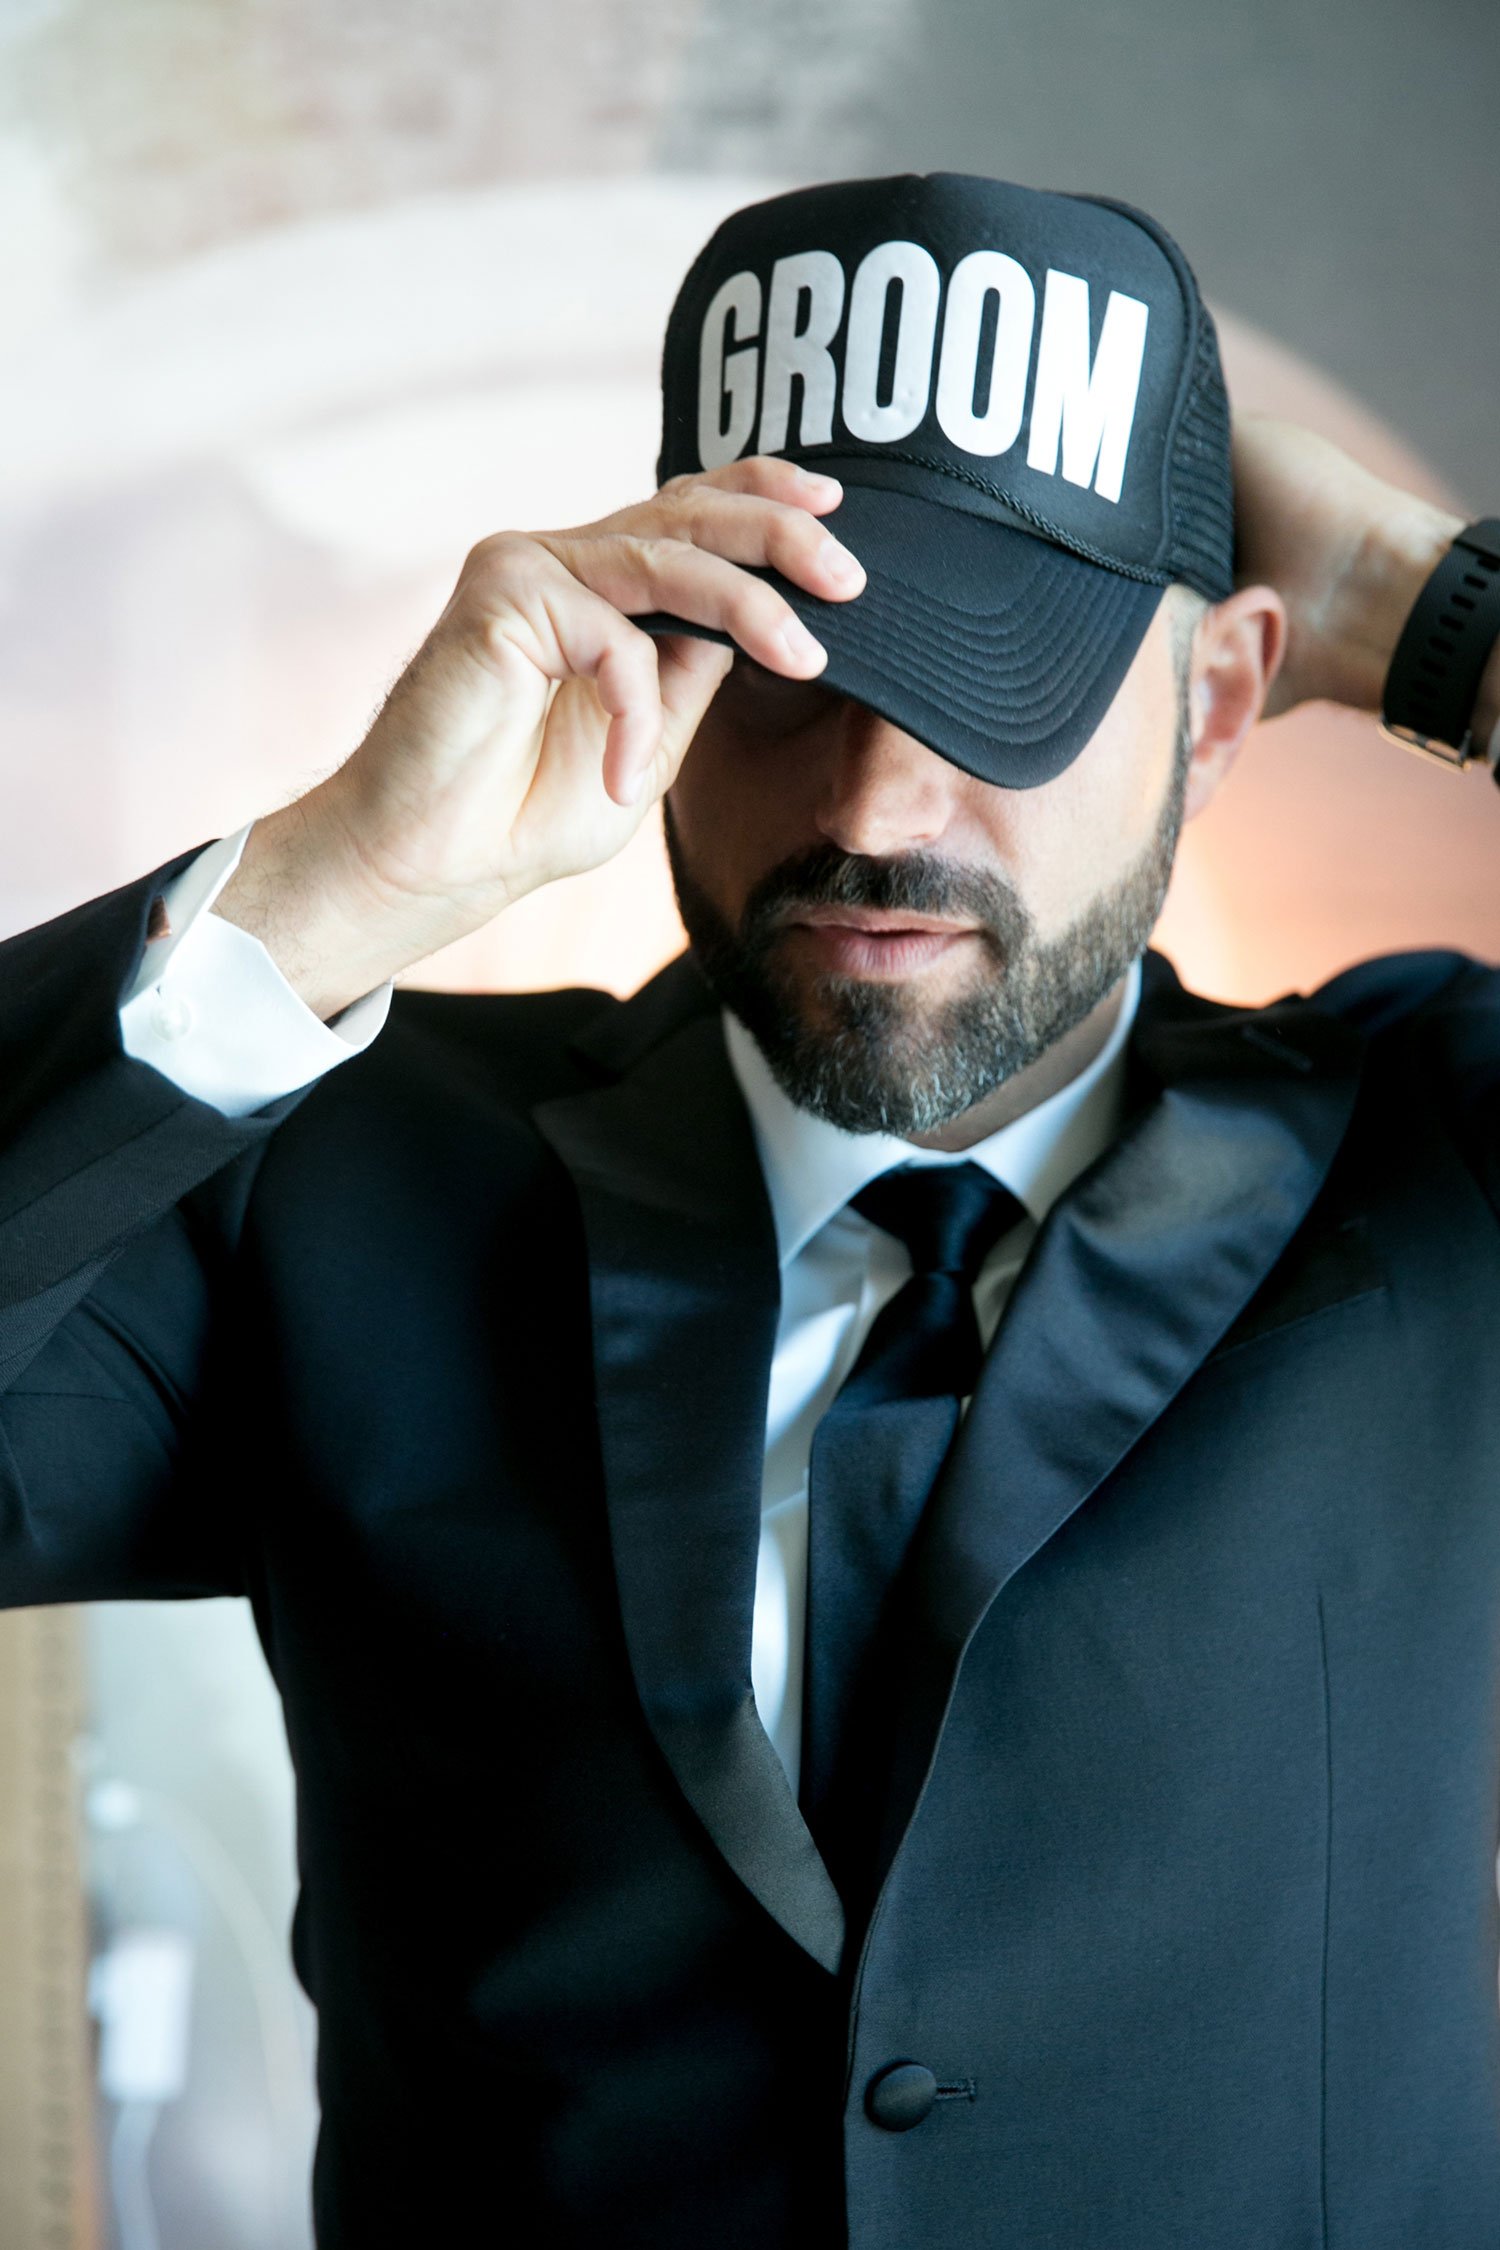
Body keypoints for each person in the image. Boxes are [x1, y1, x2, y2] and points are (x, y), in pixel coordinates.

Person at [3, 171, 1500, 2249]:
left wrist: (1450, 619)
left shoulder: (1440, 1158)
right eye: (780, 664)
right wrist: (334, 876)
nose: (876, 811)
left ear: (1220, 702)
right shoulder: (336, 1168)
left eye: (1004, 695)